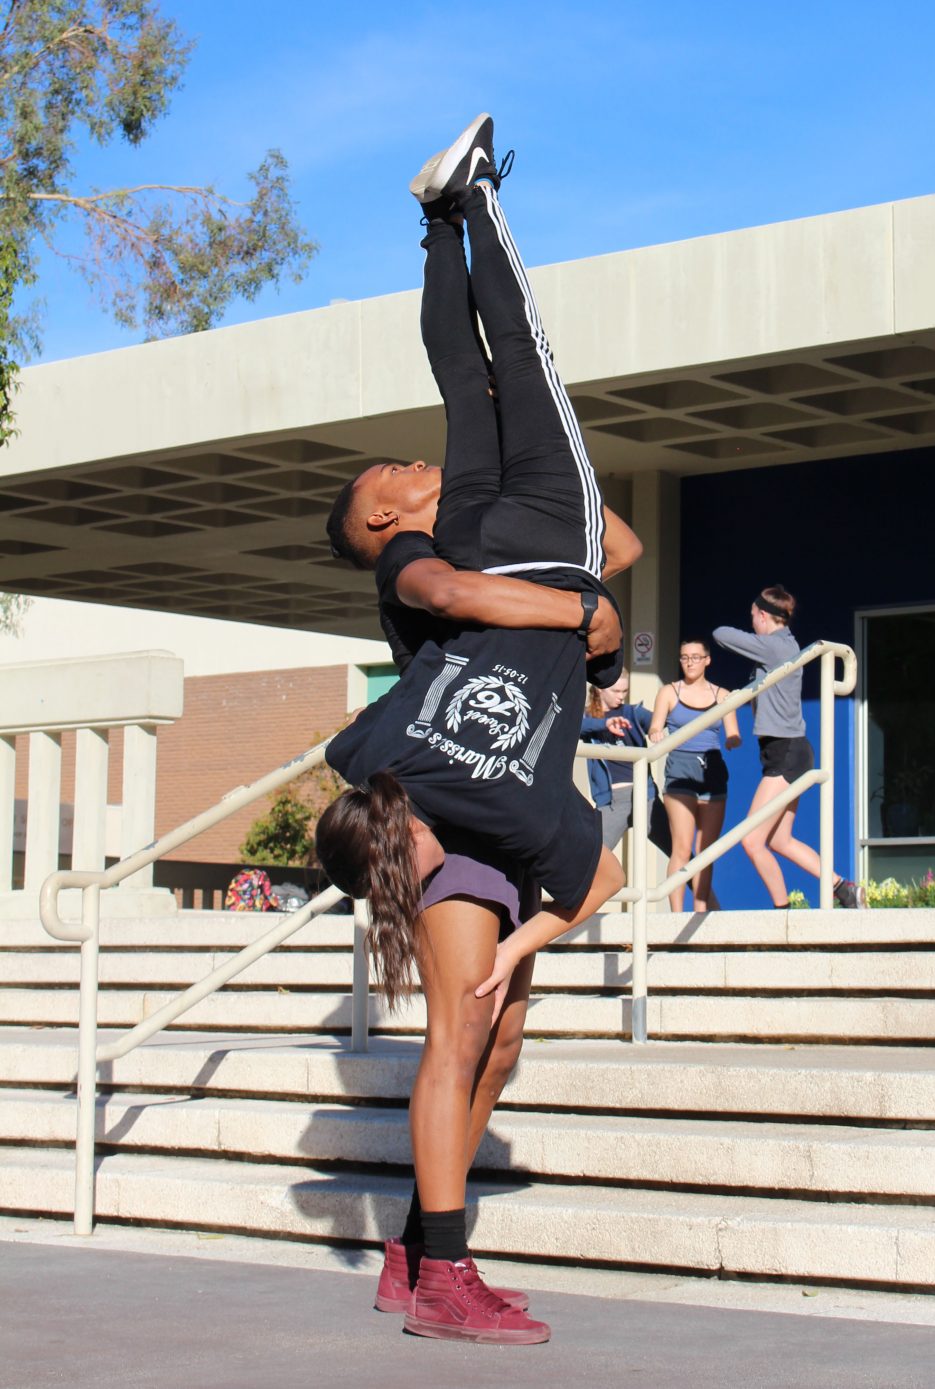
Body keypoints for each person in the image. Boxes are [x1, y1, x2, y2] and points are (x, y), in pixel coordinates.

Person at [318, 115, 636, 1344]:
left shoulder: (445, 531)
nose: (403, 475)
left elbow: (623, 554)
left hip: (485, 793)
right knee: (465, 1034)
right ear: (383, 518)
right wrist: (583, 611)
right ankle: (471, 201)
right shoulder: (410, 558)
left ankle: (417, 1252)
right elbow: (590, 567)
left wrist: (596, 634)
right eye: (388, 487)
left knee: (489, 1043)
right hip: (472, 801)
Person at [713, 586, 863, 909]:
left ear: (764, 616)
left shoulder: (774, 646)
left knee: (752, 841)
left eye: (753, 617)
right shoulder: (783, 645)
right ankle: (844, 889)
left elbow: (720, 634)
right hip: (785, 751)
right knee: (779, 840)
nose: (752, 623)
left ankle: (782, 914)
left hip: (786, 752)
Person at [647, 639, 741, 911]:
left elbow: (733, 733)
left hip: (711, 770)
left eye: (696, 657)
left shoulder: (722, 694)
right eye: (685, 657)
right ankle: (675, 916)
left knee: (706, 852)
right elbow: (656, 725)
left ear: (707, 660)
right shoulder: (669, 692)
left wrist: (734, 740)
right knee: (681, 847)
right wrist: (656, 733)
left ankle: (701, 913)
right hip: (680, 770)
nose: (690, 662)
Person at [581, 669, 670, 856]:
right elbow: (572, 727)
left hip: (646, 796)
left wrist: (655, 729)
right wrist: (604, 724)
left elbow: (662, 721)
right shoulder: (589, 718)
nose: (621, 697)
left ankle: (705, 887)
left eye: (625, 691)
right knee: (591, 859)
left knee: (679, 853)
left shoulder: (633, 713)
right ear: (599, 689)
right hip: (612, 800)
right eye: (616, 691)